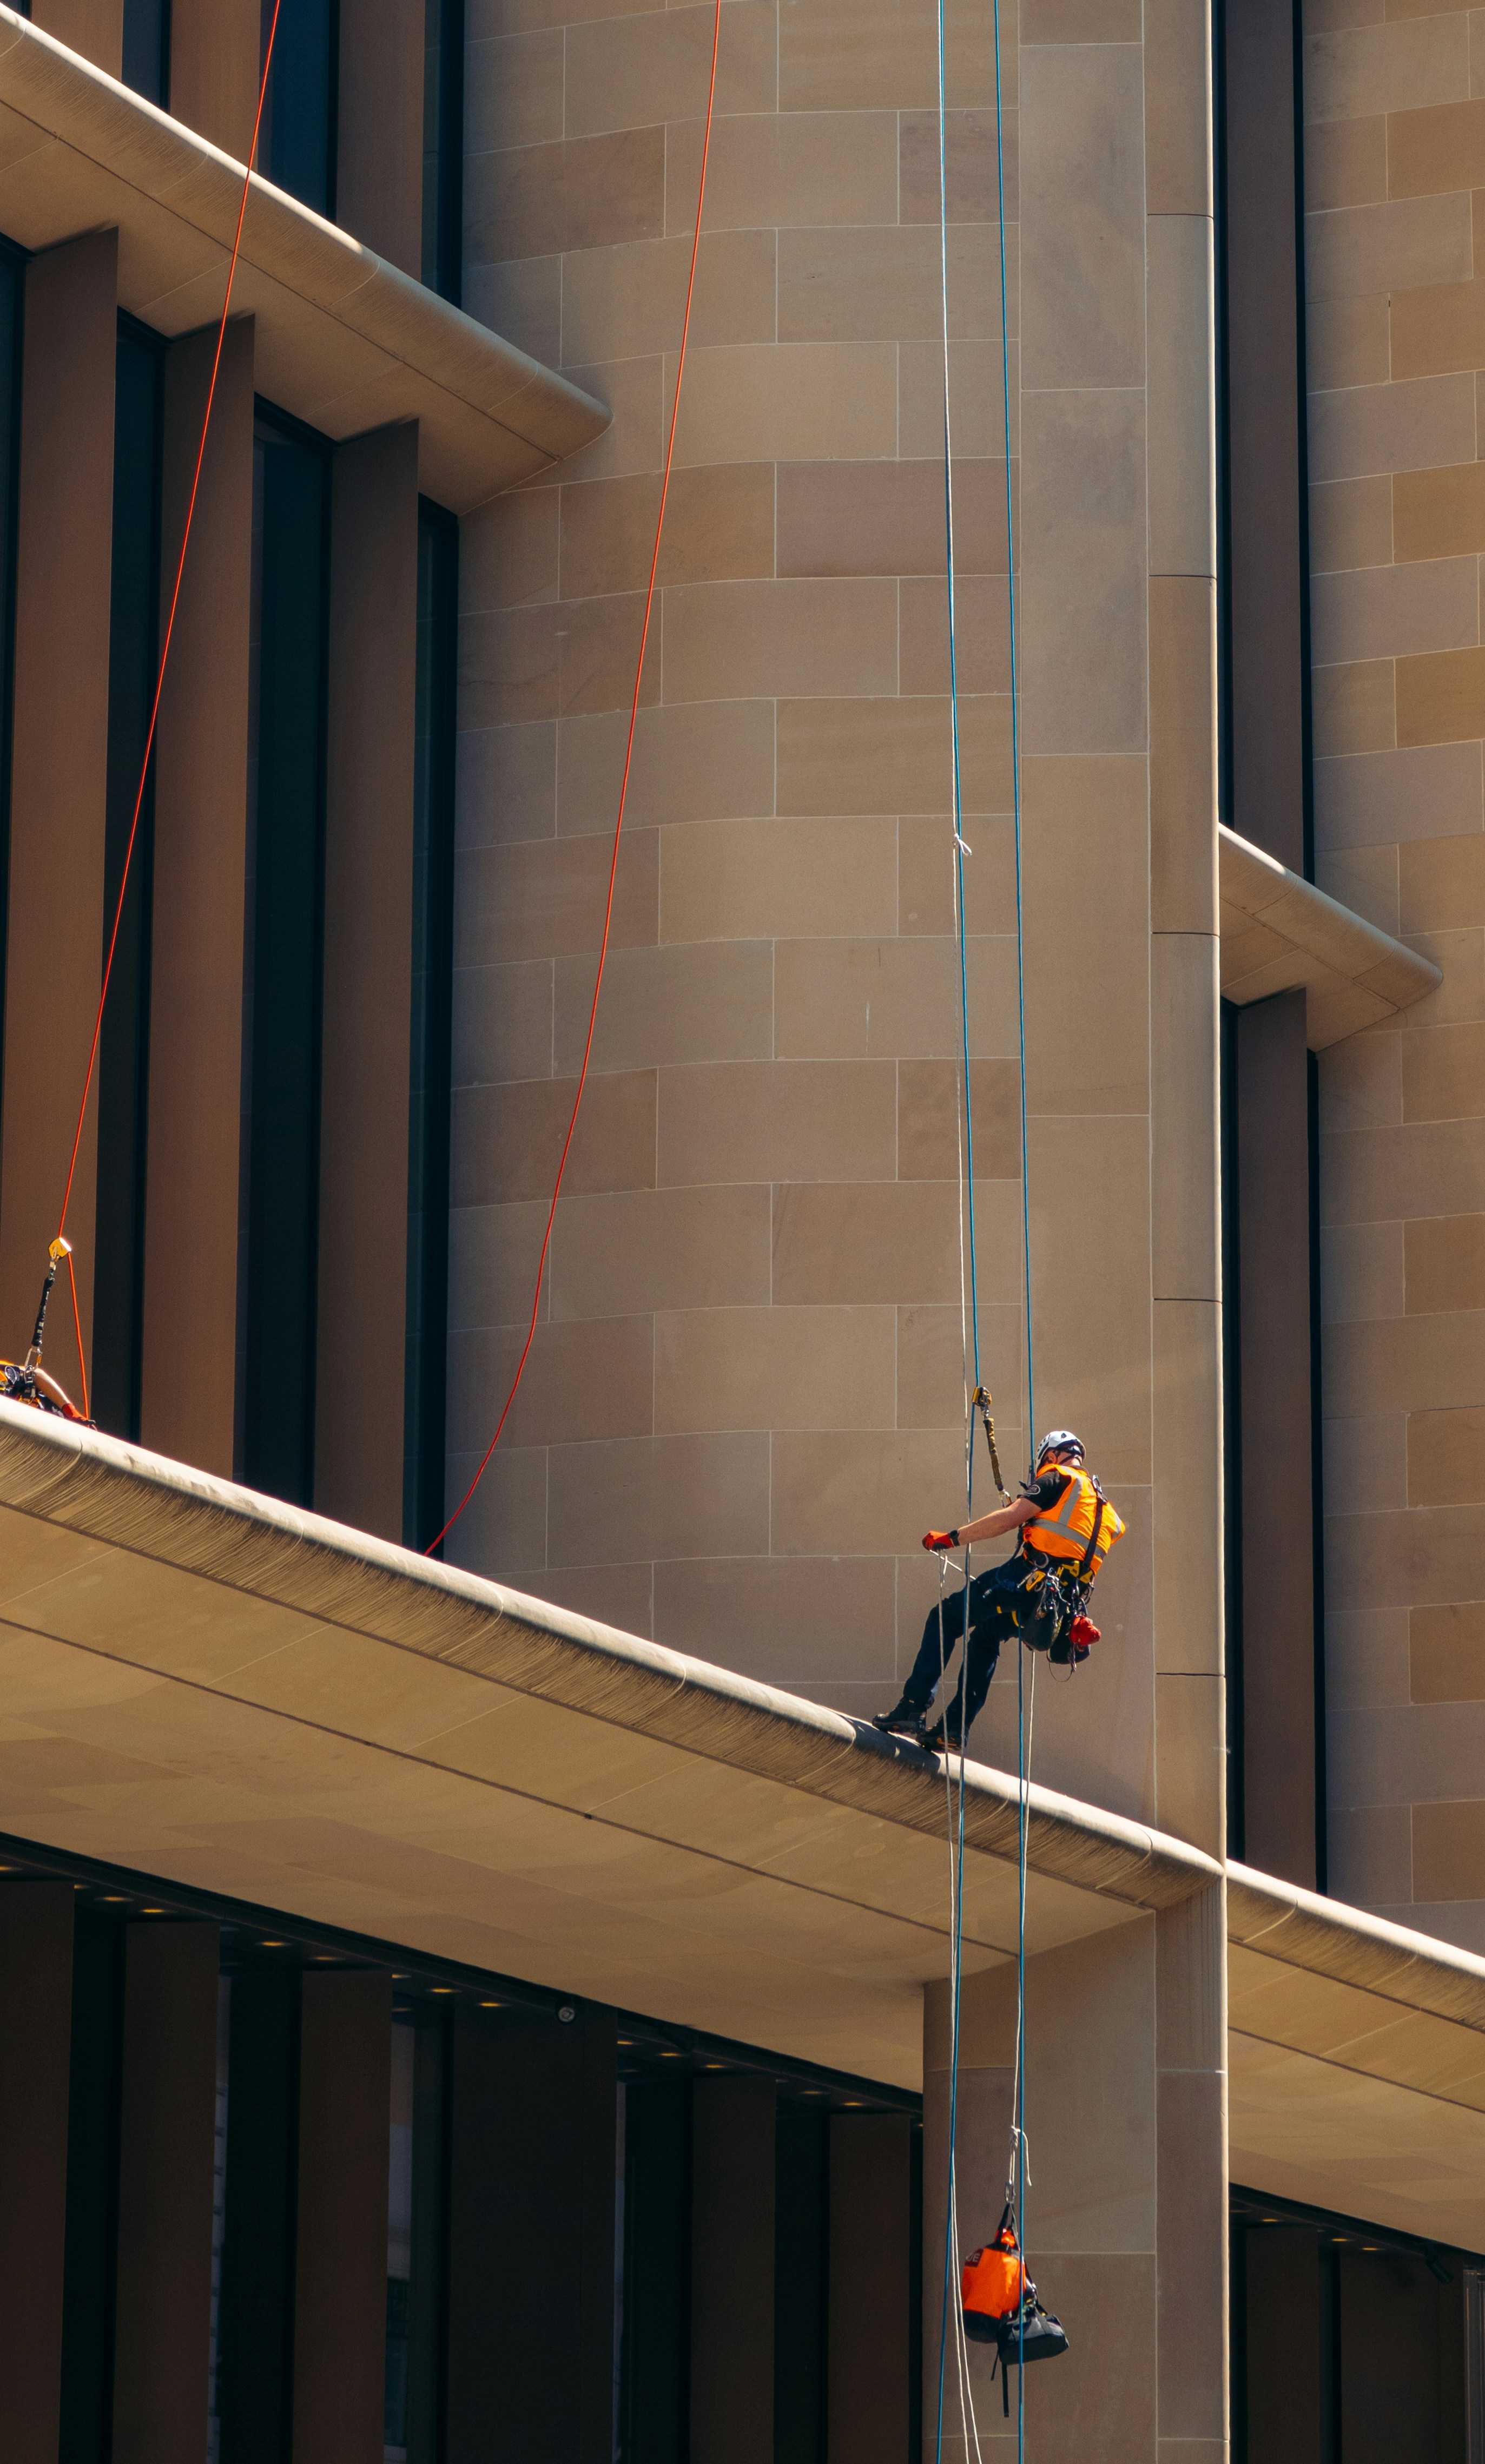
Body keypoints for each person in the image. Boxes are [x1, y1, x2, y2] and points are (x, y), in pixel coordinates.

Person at [873, 1430, 1123, 1752]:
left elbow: (1007, 1520)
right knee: (987, 1635)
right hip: (1058, 1607)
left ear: (1051, 1456)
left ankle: (913, 1706)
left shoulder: (1058, 1478)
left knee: (946, 1617)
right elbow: (1070, 1541)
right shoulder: (1107, 1512)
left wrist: (951, 1538)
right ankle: (954, 1729)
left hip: (1026, 1579)